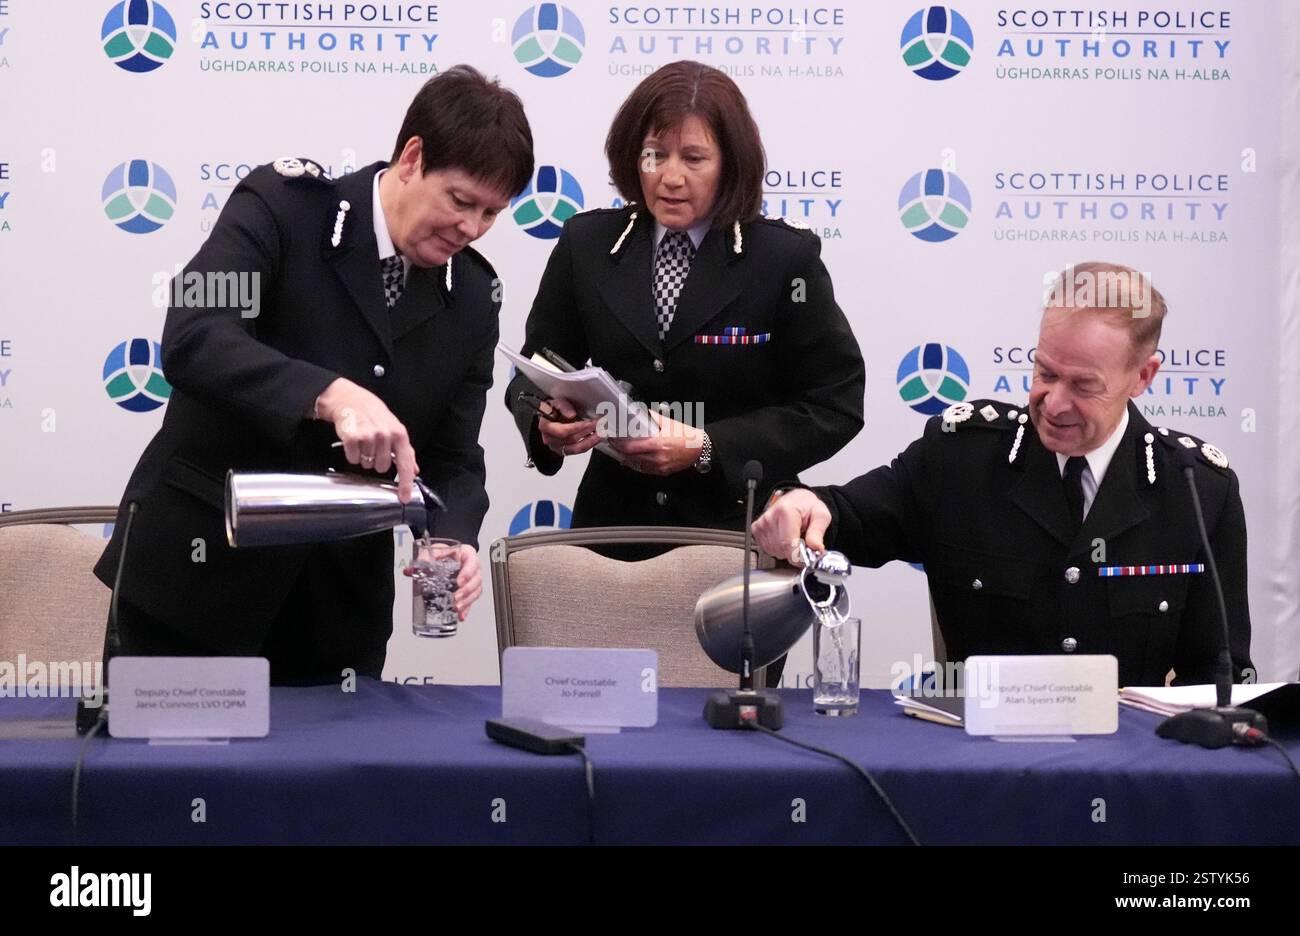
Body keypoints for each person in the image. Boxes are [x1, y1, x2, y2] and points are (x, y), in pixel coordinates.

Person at [94, 66, 534, 685]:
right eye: (461, 201)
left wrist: (451, 537)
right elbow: (195, 336)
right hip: (195, 586)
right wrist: (329, 395)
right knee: (156, 781)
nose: (471, 228)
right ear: (411, 158)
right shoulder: (281, 208)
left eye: (492, 213)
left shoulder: (473, 297)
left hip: (336, 623)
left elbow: (452, 459)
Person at [753, 262, 1253, 688]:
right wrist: (802, 504)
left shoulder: (1197, 489)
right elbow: (849, 515)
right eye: (1045, 373)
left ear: (1142, 377)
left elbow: (1217, 672)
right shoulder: (961, 458)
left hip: (1130, 769)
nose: (1054, 404)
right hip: (984, 764)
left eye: (1084, 385)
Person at [504, 60, 864, 538]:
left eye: (694, 159)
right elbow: (536, 370)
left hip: (738, 533)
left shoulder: (782, 258)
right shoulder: (586, 244)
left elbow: (834, 405)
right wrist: (547, 424)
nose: (670, 177)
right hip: (613, 535)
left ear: (730, 165)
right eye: (654, 155)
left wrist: (708, 445)